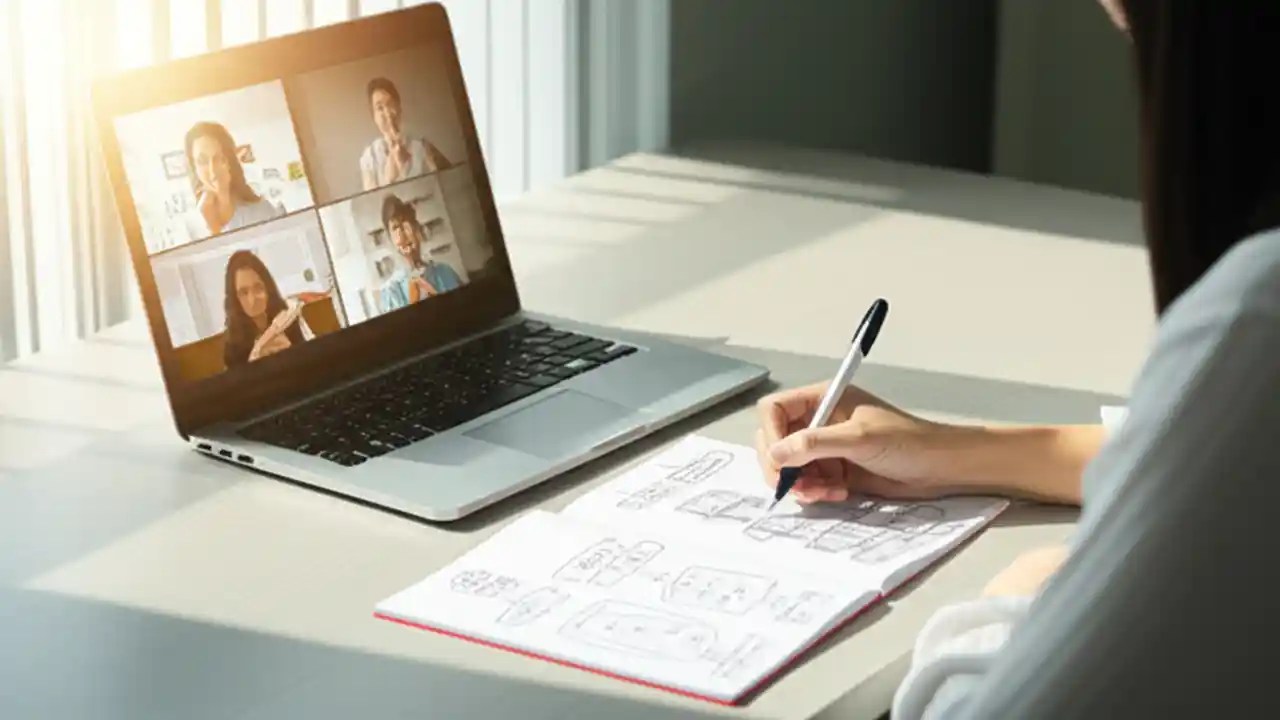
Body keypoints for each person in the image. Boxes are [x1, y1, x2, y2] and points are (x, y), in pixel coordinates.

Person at [755, 2, 1280, 717]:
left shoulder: (1259, 312)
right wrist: (957, 451)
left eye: (1133, 25)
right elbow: (1230, 454)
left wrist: (1021, 601)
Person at [183, 121, 285, 239]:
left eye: (219, 158)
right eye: (202, 161)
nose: (212, 170)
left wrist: (215, 226)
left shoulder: (262, 210)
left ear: (230, 162)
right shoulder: (189, 228)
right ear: (194, 168)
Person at [222, 249, 313, 368]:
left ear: (268, 287)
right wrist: (255, 360)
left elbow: (311, 364)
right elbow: (238, 384)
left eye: (258, 288)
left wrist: (291, 353)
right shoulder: (233, 344)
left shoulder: (290, 320)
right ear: (234, 298)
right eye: (244, 293)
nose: (252, 300)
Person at [359, 77, 453, 191]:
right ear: (373, 116)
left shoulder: (423, 146)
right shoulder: (369, 157)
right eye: (380, 108)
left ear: (399, 107)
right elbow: (372, 202)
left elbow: (447, 185)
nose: (388, 113)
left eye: (390, 104)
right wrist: (390, 172)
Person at [378, 193, 464, 313]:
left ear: (417, 228)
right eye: (395, 227)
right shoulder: (390, 292)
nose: (402, 233)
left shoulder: (445, 272)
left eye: (405, 223)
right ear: (389, 239)